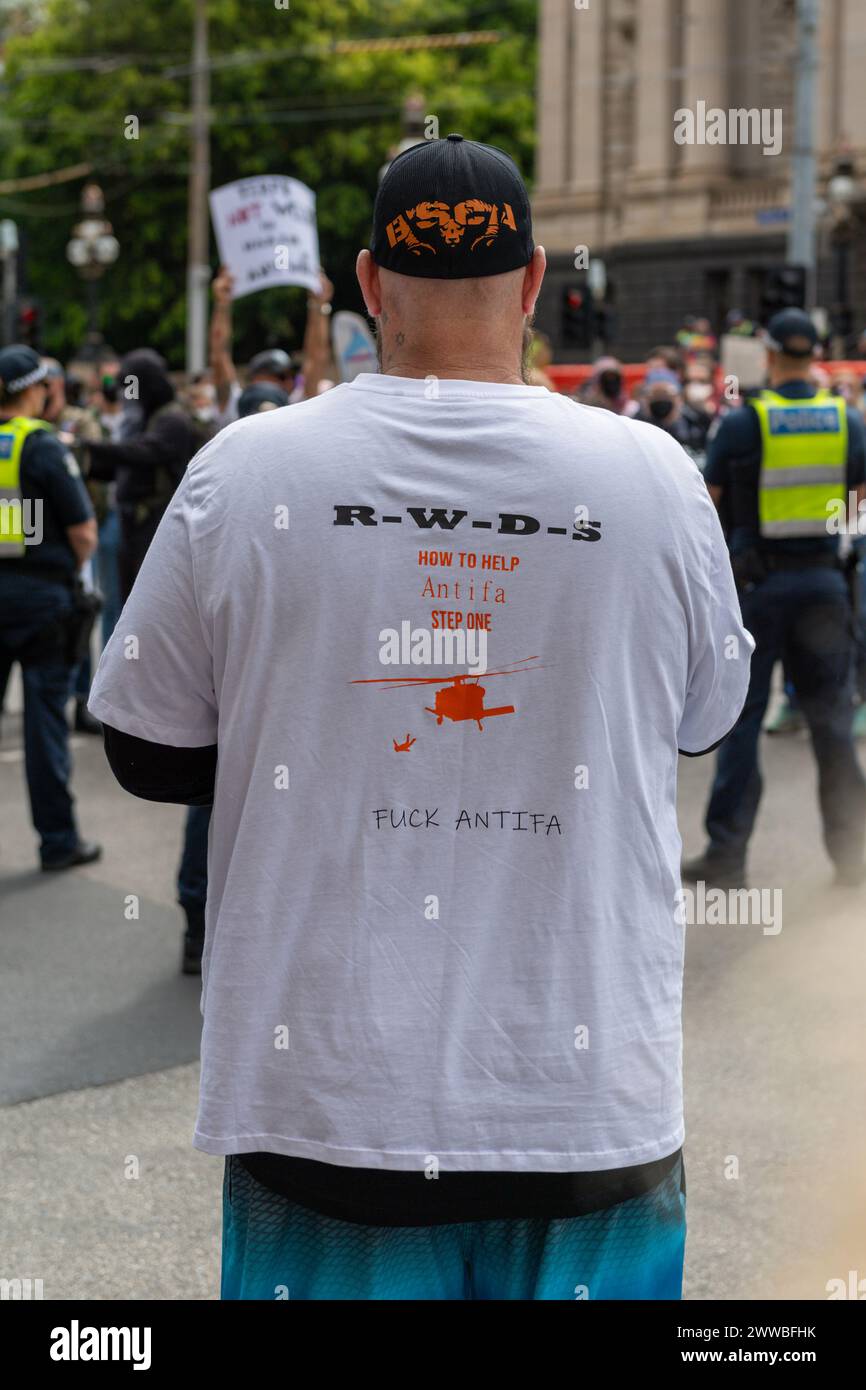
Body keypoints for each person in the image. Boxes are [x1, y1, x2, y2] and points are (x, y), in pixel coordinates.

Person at [88, 133, 751, 1302]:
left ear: (366, 283)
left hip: (328, 1107)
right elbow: (703, 720)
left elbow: (146, 749)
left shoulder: (243, 471)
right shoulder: (652, 477)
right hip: (581, 1100)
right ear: (537, 282)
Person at [683, 308, 866, 890]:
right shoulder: (848, 420)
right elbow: (859, 504)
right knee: (832, 725)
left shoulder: (744, 422)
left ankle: (727, 859)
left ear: (767, 354)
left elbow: (705, 507)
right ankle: (854, 858)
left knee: (743, 724)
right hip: (824, 589)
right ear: (814, 354)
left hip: (756, 592)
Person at [0, 345, 102, 869]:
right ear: (35, 389)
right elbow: (83, 531)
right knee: (44, 726)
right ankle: (58, 842)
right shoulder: (41, 445)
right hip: (41, 599)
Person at [82, 348, 204, 602]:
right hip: (133, 528)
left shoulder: (173, 420)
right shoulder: (142, 421)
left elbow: (142, 453)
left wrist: (87, 446)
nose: (127, 397)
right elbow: (124, 468)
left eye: (132, 388)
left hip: (156, 528)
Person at [209, 265, 335, 429]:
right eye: (279, 376)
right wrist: (222, 304)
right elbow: (219, 355)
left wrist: (318, 306)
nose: (288, 381)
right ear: (254, 379)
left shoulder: (297, 407)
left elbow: (317, 356)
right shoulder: (233, 406)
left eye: (289, 375)